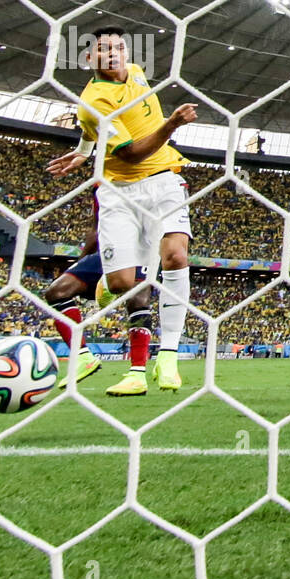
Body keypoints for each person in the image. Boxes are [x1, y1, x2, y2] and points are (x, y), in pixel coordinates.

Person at [46, 26, 197, 396]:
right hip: (121, 190)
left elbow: (90, 132)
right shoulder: (94, 100)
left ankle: (169, 355)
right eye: (102, 49)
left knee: (176, 255)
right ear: (88, 59)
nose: (112, 53)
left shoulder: (138, 73)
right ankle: (109, 334)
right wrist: (171, 124)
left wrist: (83, 150)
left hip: (164, 180)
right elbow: (129, 153)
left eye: (118, 47)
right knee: (122, 285)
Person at [42, 191, 151, 387]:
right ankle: (83, 358)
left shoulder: (153, 176)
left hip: (144, 247)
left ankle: (137, 373)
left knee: (137, 300)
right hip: (109, 249)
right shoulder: (103, 185)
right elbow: (97, 226)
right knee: (56, 292)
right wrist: (82, 263)